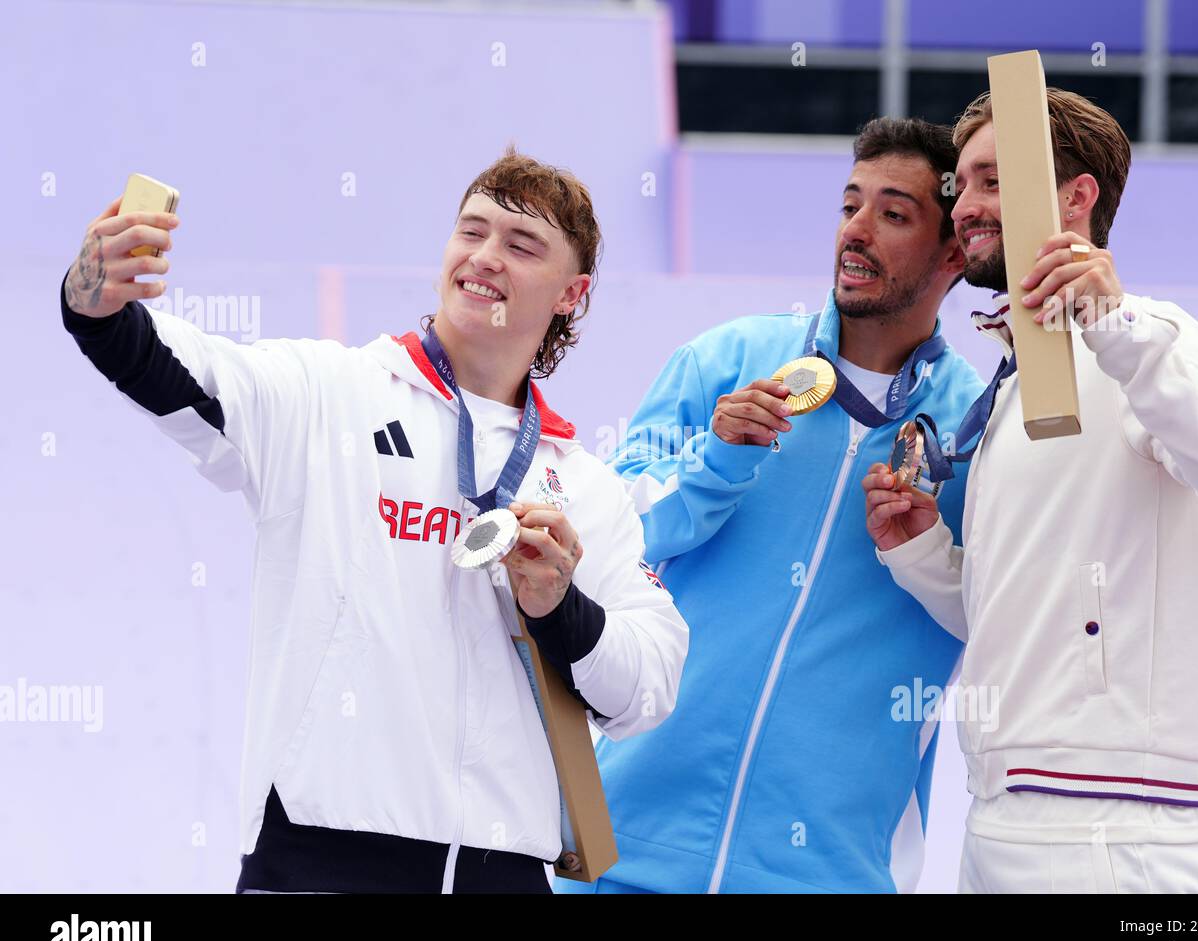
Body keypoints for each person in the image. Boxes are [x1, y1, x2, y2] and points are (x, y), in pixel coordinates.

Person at [59, 149, 688, 894]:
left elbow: (647, 687)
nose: (484, 257)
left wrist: (560, 608)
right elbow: (183, 370)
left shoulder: (584, 484)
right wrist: (94, 303)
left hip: (504, 870)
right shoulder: (331, 394)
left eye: (520, 245)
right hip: (321, 857)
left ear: (571, 293)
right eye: (471, 231)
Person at [866, 89, 1198, 893]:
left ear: (1076, 197)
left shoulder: (1149, 335)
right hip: (1004, 809)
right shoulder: (1013, 383)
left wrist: (1117, 323)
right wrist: (920, 551)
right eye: (965, 185)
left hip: (1114, 828)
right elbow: (1017, 617)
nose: (970, 207)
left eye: (994, 179)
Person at [557, 118, 985, 893]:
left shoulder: (978, 431)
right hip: (622, 851)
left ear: (954, 251)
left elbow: (1020, 606)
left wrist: (1192, 657)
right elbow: (608, 539)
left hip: (828, 874)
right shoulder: (726, 361)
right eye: (850, 205)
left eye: (893, 214)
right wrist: (715, 462)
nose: (856, 231)